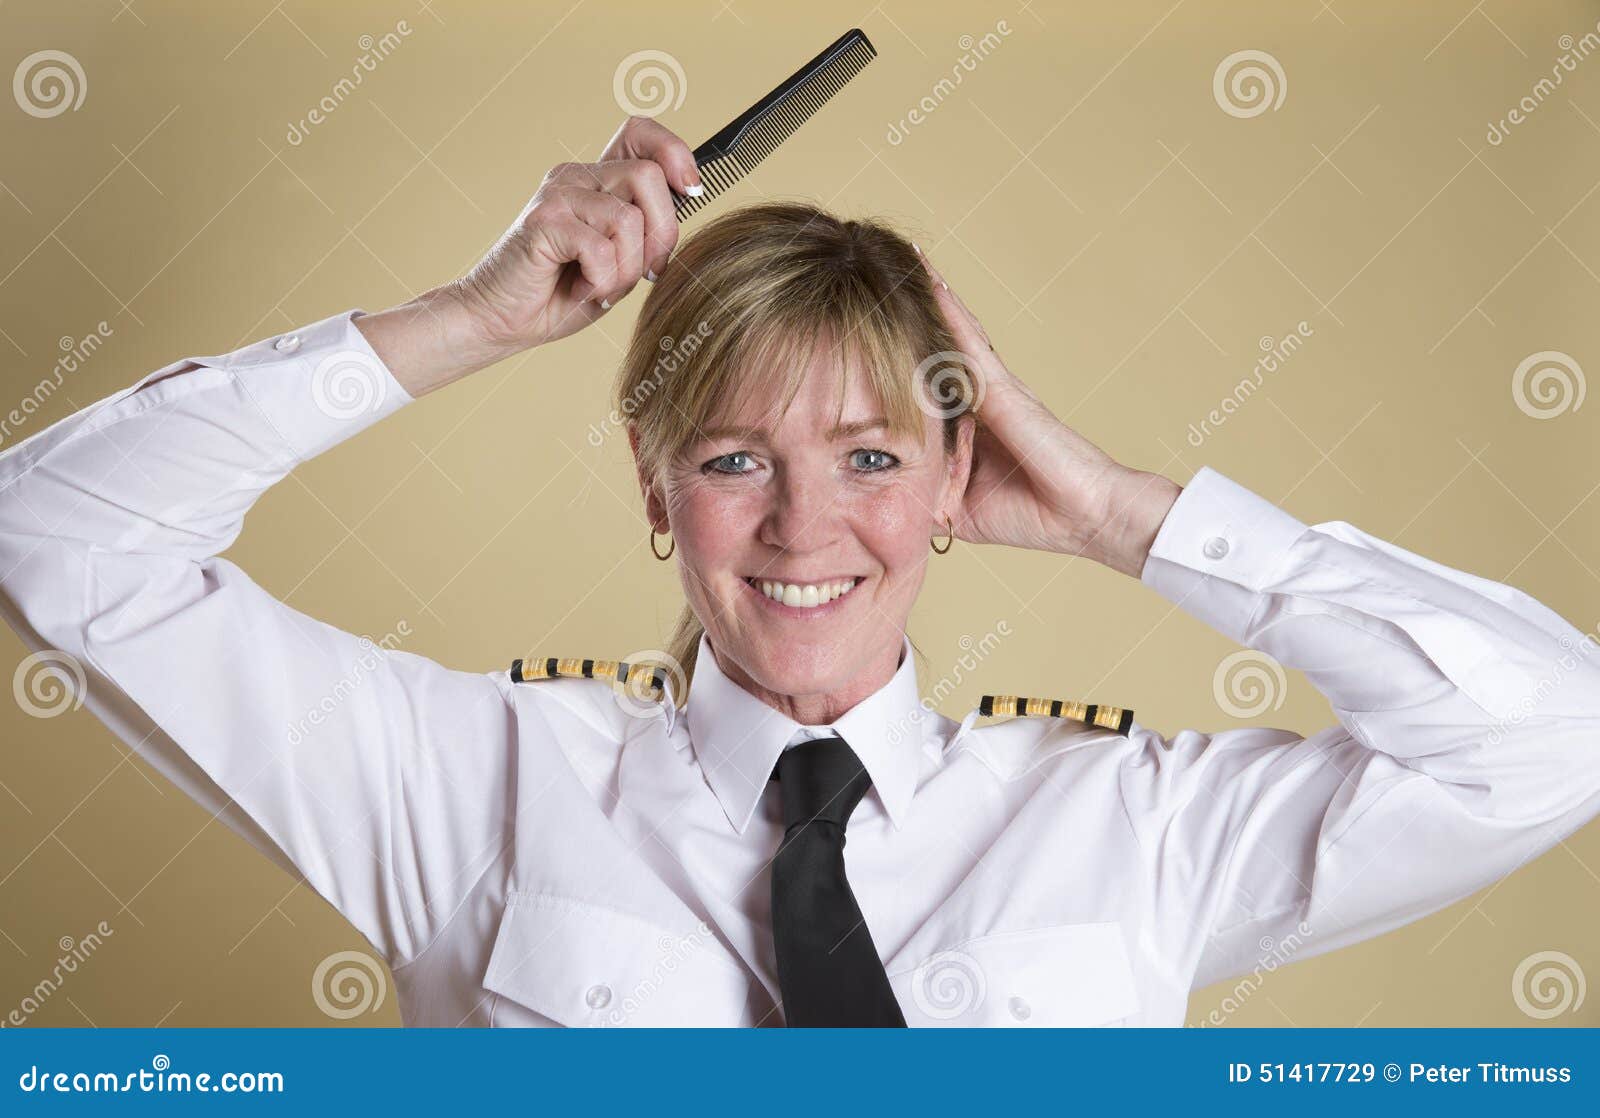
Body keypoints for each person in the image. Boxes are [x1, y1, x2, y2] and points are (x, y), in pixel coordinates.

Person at [1, 116, 1596, 1028]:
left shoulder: (1134, 826)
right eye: (734, 459)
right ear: (654, 485)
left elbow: (1548, 739)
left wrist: (1122, 512)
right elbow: (61, 541)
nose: (804, 528)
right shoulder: (468, 783)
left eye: (872, 458)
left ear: (956, 477)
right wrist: (469, 320)